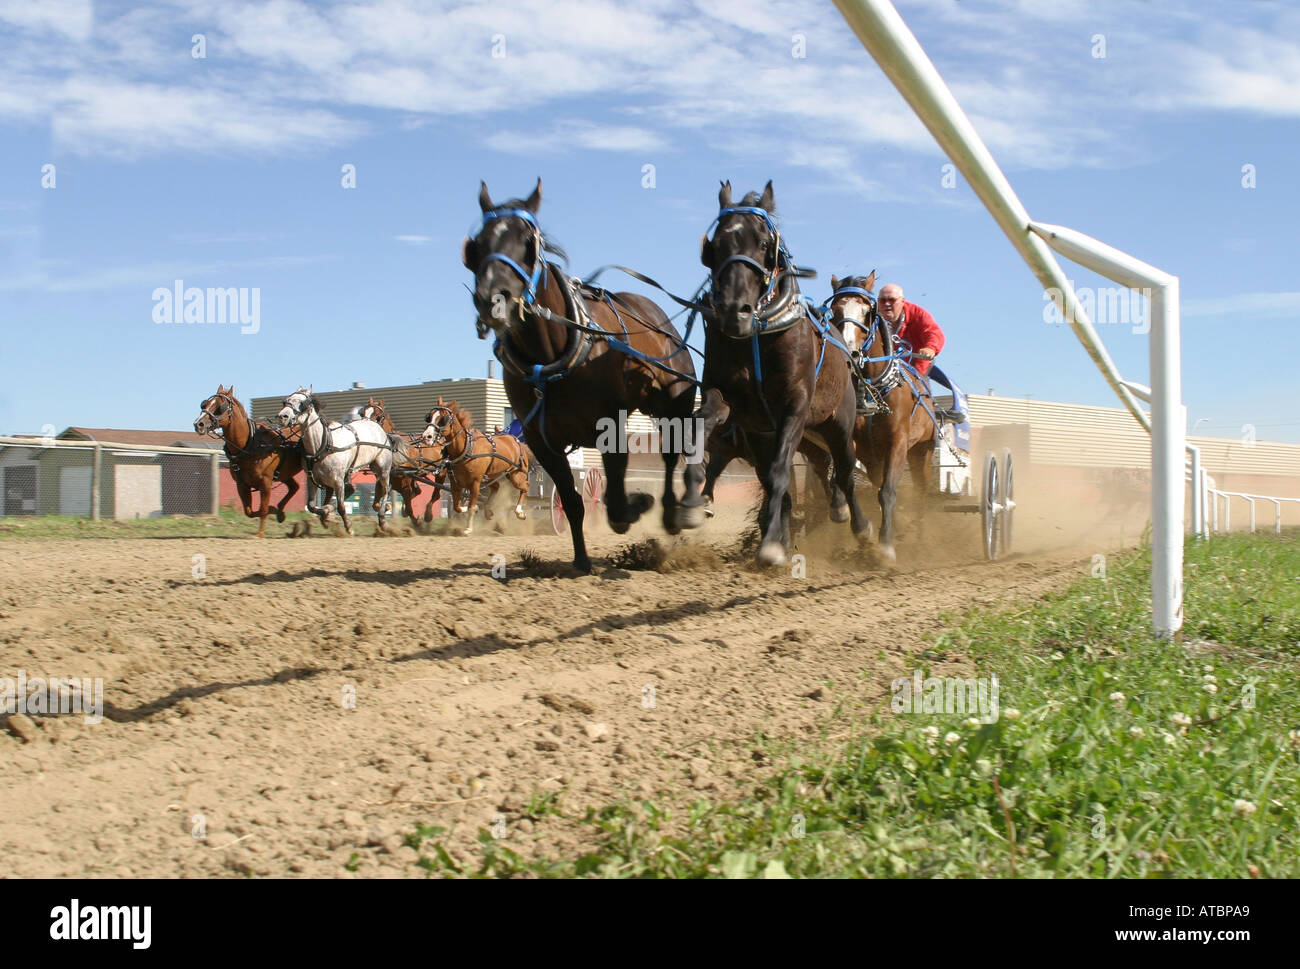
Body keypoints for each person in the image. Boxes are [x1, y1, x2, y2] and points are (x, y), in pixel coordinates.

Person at [857, 284, 962, 421]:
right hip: (882, 369)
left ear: (902, 301)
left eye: (892, 300)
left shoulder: (918, 314)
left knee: (915, 390)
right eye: (882, 300)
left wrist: (930, 348)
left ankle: (929, 415)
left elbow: (934, 333)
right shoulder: (872, 318)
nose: (887, 304)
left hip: (914, 366)